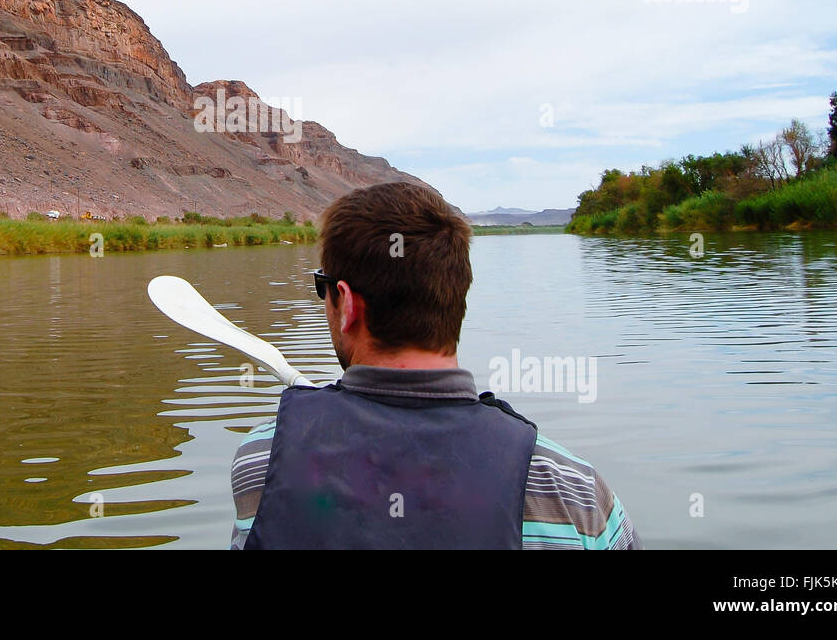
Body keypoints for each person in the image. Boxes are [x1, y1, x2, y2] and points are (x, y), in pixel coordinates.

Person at [230, 181, 640, 549]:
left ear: (347, 303)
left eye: (323, 288)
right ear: (454, 297)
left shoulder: (261, 462)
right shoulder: (574, 492)